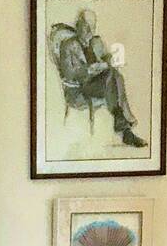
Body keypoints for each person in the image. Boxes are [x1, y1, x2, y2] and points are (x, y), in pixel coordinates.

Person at [54, 9, 147, 148]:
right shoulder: (68, 46)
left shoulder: (97, 42)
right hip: (81, 87)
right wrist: (89, 69)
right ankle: (125, 129)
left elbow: (106, 57)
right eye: (86, 25)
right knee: (114, 77)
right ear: (78, 25)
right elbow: (68, 73)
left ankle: (123, 127)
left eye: (91, 25)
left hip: (101, 84)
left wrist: (110, 60)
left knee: (114, 74)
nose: (89, 30)